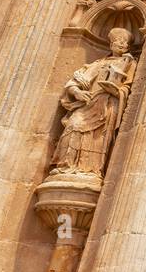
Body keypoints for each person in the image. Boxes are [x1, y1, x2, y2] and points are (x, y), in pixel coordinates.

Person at [50, 28, 137, 179]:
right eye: (119, 41)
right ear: (111, 44)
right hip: (88, 102)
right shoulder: (98, 63)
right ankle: (65, 165)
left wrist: (115, 91)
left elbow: (126, 87)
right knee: (73, 125)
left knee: (98, 137)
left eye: (126, 43)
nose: (122, 44)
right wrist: (78, 92)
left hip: (107, 104)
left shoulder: (129, 63)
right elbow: (74, 83)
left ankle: (90, 170)